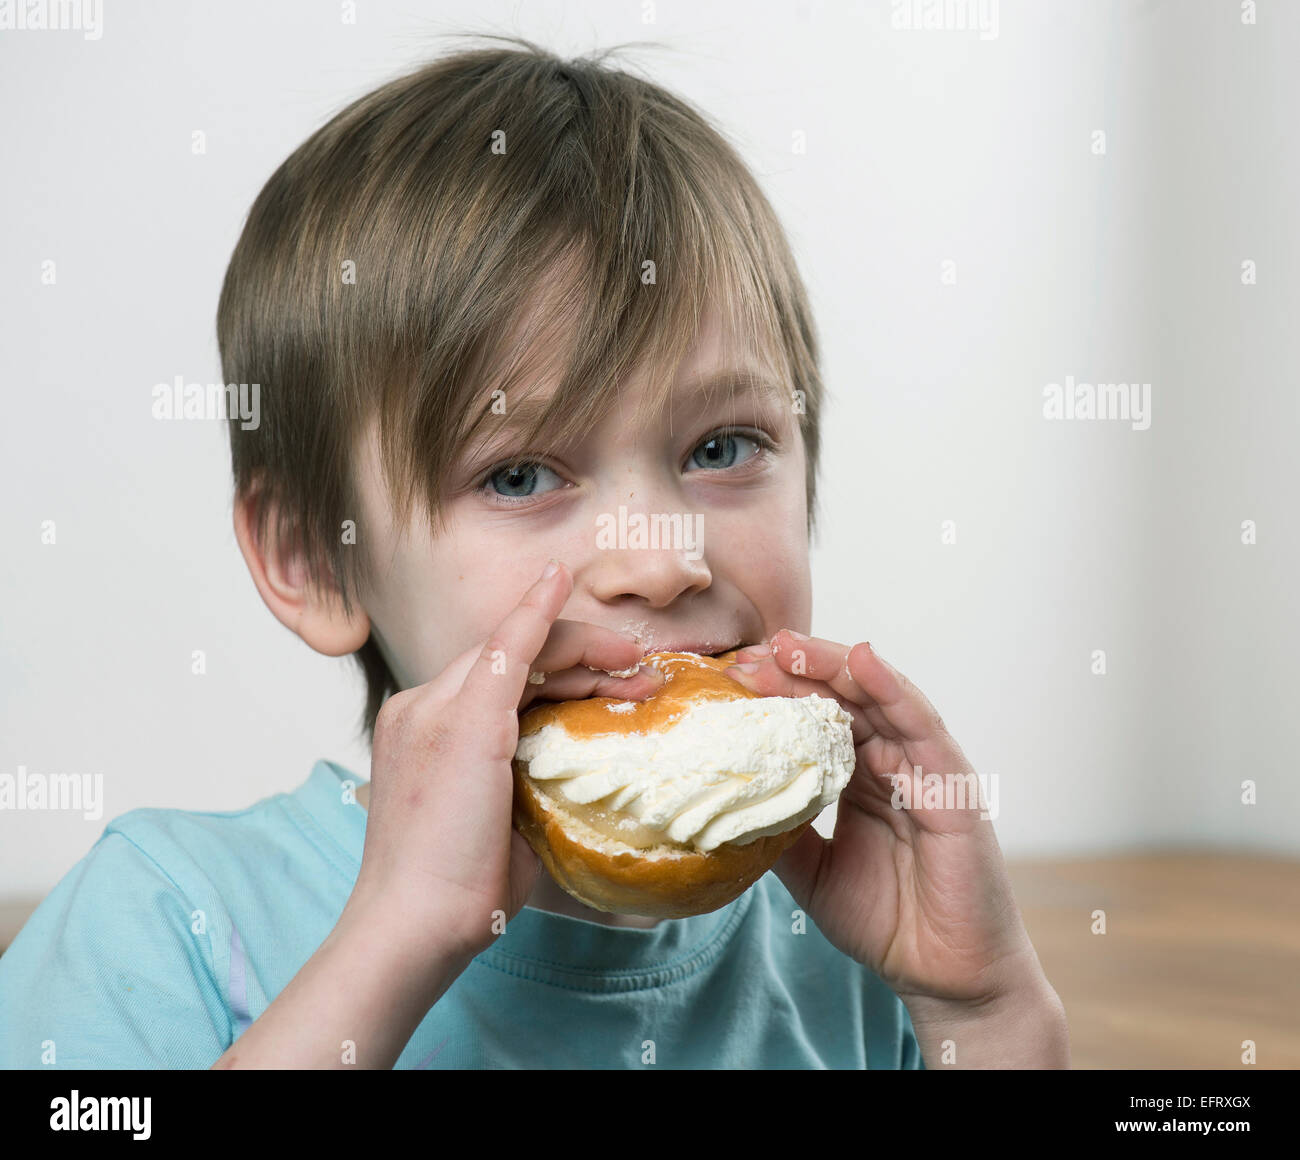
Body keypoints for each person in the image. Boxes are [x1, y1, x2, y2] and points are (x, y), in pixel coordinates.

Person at [0, 37, 1068, 1069]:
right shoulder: (164, 920)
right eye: (519, 474)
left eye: (721, 446)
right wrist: (392, 943)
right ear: (314, 557)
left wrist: (980, 1004)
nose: (660, 560)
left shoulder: (845, 947)